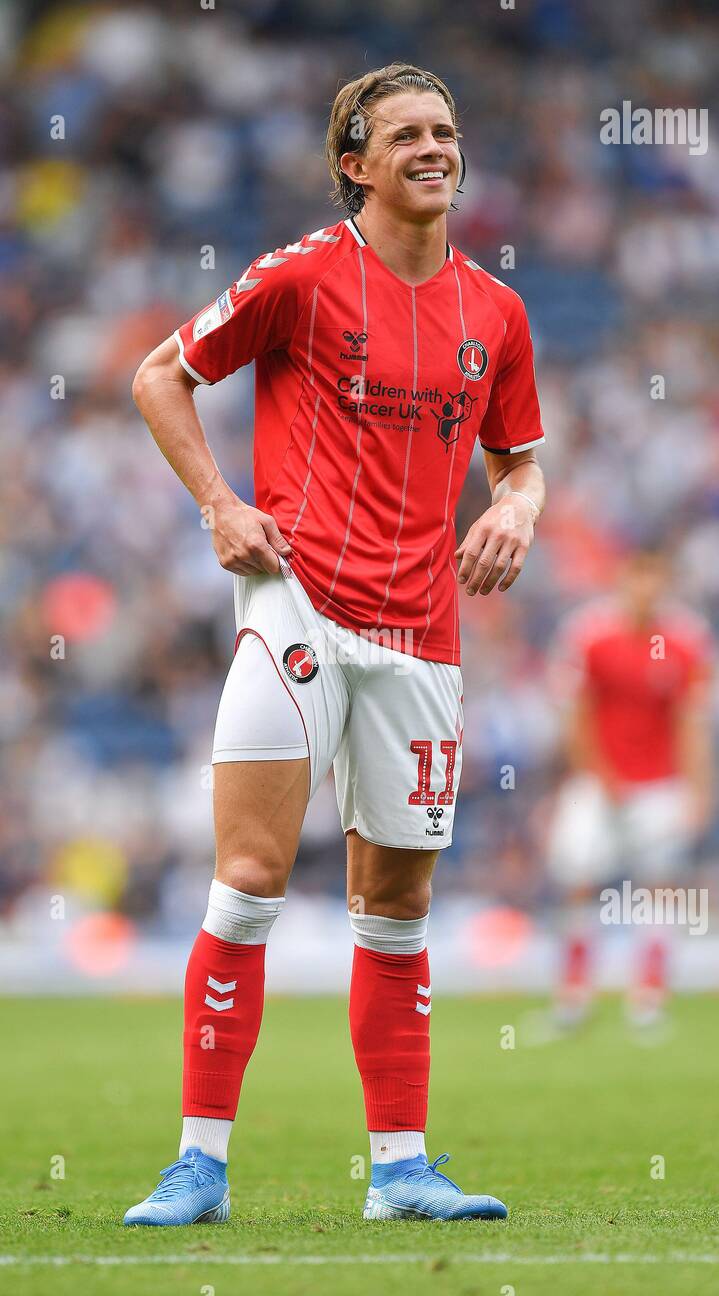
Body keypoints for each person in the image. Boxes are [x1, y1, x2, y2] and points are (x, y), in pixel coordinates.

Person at [124, 62, 545, 1226]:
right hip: (295, 604)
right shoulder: (299, 278)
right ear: (352, 163)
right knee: (251, 877)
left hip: (424, 634)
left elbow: (519, 458)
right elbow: (161, 375)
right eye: (404, 133)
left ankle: (400, 1171)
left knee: (396, 907)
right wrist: (217, 502)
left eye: (444, 130)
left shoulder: (495, 312)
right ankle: (198, 1164)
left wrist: (514, 507)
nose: (432, 147)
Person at [548, 547, 713, 1028]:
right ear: (624, 579)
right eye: (640, 576)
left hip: (661, 784)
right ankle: (575, 994)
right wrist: (598, 775)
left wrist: (699, 790)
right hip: (599, 784)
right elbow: (574, 715)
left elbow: (691, 722)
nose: (648, 588)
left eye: (656, 578)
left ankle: (649, 998)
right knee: (579, 882)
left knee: (659, 888)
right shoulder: (589, 634)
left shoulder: (687, 640)